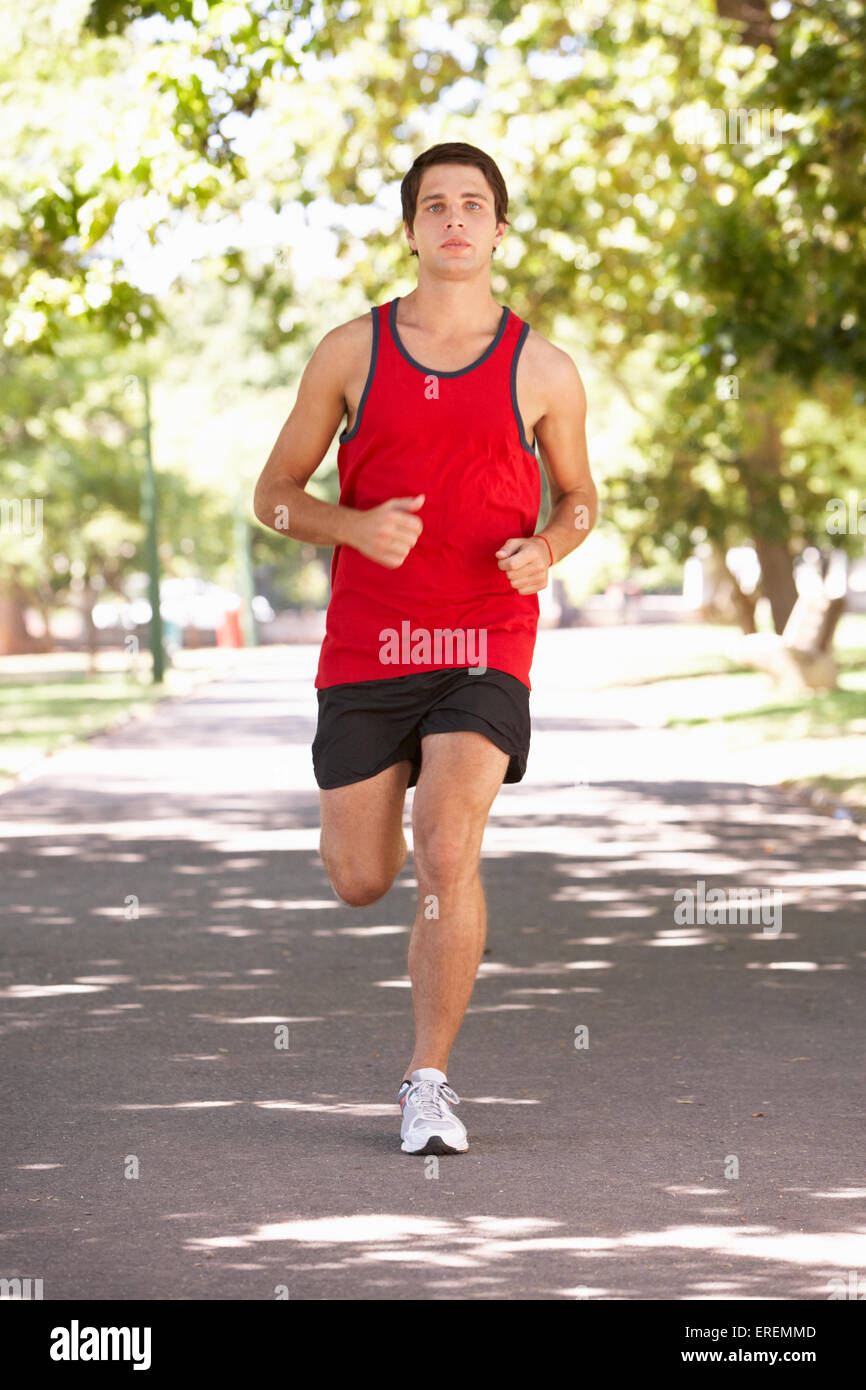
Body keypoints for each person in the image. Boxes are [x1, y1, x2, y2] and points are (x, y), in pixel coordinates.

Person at [254, 141, 597, 1155]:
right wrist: (351, 527)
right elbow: (274, 495)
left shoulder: (542, 366)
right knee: (361, 875)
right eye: (434, 205)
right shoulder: (348, 352)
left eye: (473, 205)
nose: (454, 219)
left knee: (444, 844)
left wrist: (547, 544)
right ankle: (375, 804)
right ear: (409, 229)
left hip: (484, 637)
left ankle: (427, 1080)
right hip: (369, 646)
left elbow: (581, 500)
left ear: (498, 230)